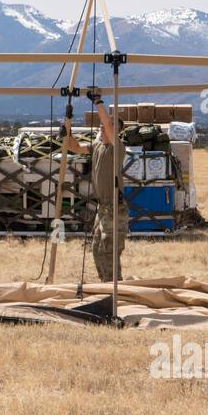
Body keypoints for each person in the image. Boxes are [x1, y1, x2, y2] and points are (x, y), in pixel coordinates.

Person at [63, 88, 126, 282]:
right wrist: (67, 130)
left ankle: (115, 287)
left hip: (115, 207)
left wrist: (98, 102)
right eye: (102, 125)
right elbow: (74, 147)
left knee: (109, 250)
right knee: (97, 248)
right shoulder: (97, 146)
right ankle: (106, 284)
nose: (102, 127)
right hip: (103, 207)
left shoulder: (117, 147)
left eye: (109, 126)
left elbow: (107, 123)